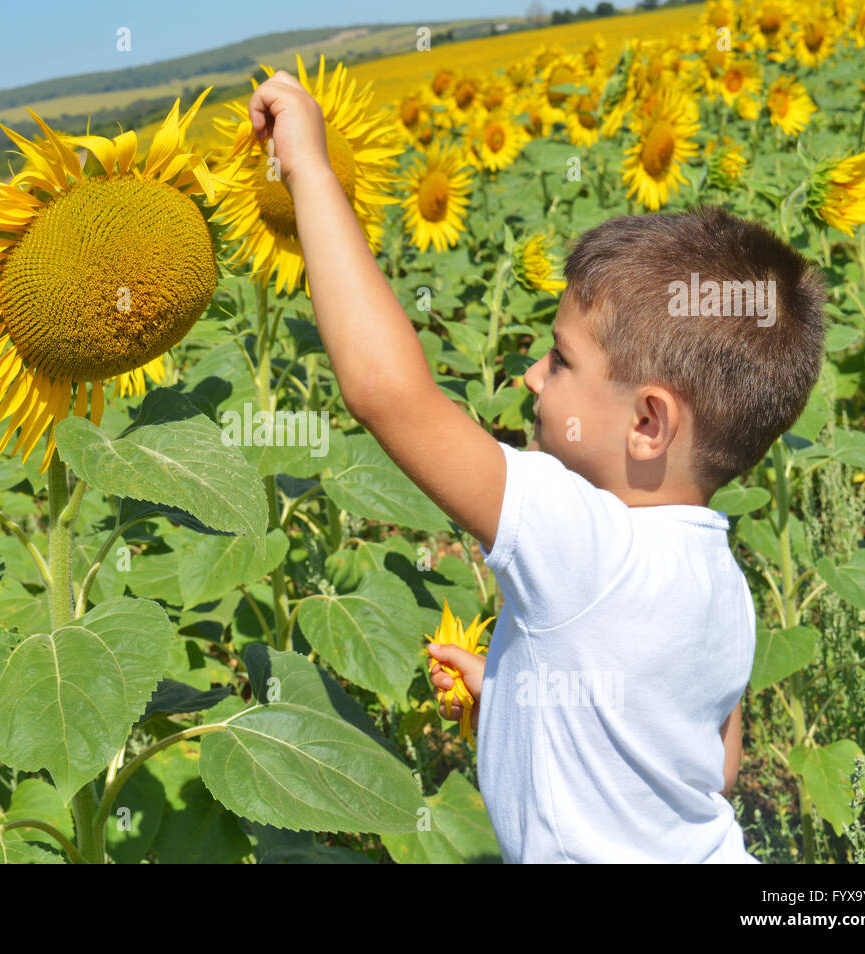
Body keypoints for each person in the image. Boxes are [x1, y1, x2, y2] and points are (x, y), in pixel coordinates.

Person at [246, 69, 827, 863]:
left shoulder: (581, 541)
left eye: (558, 361)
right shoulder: (722, 580)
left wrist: (312, 172)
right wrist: (524, 695)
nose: (530, 377)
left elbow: (388, 393)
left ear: (648, 423)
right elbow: (707, 771)